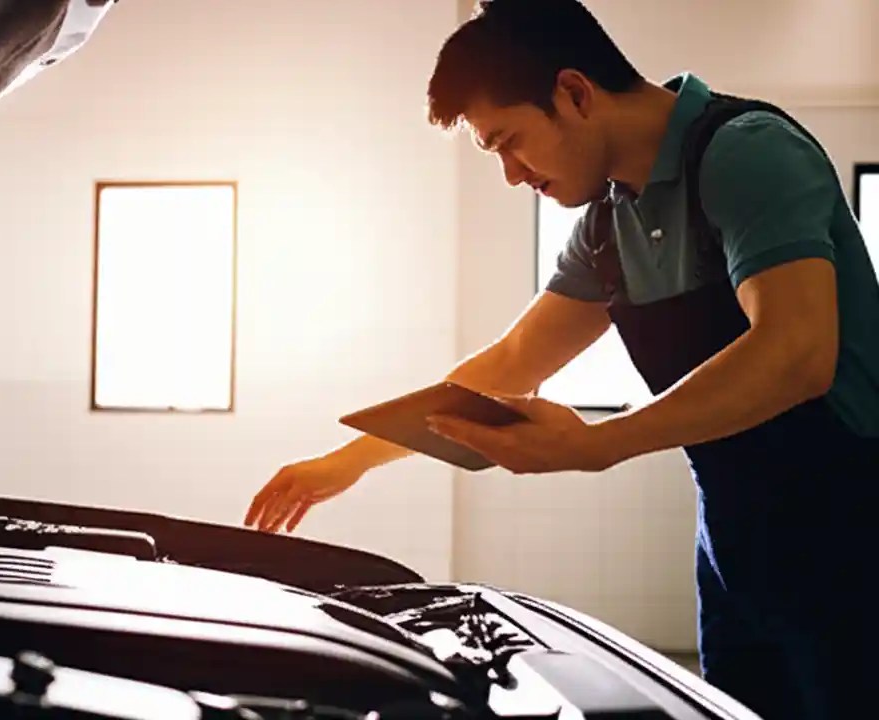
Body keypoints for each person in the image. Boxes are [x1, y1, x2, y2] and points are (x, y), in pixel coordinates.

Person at [243, 1, 879, 718]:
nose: (512, 175)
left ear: (574, 92)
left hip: (854, 538)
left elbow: (797, 352)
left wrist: (599, 443)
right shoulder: (608, 225)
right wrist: (348, 462)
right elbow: (515, 359)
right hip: (737, 550)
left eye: (510, 142)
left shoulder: (747, 152)